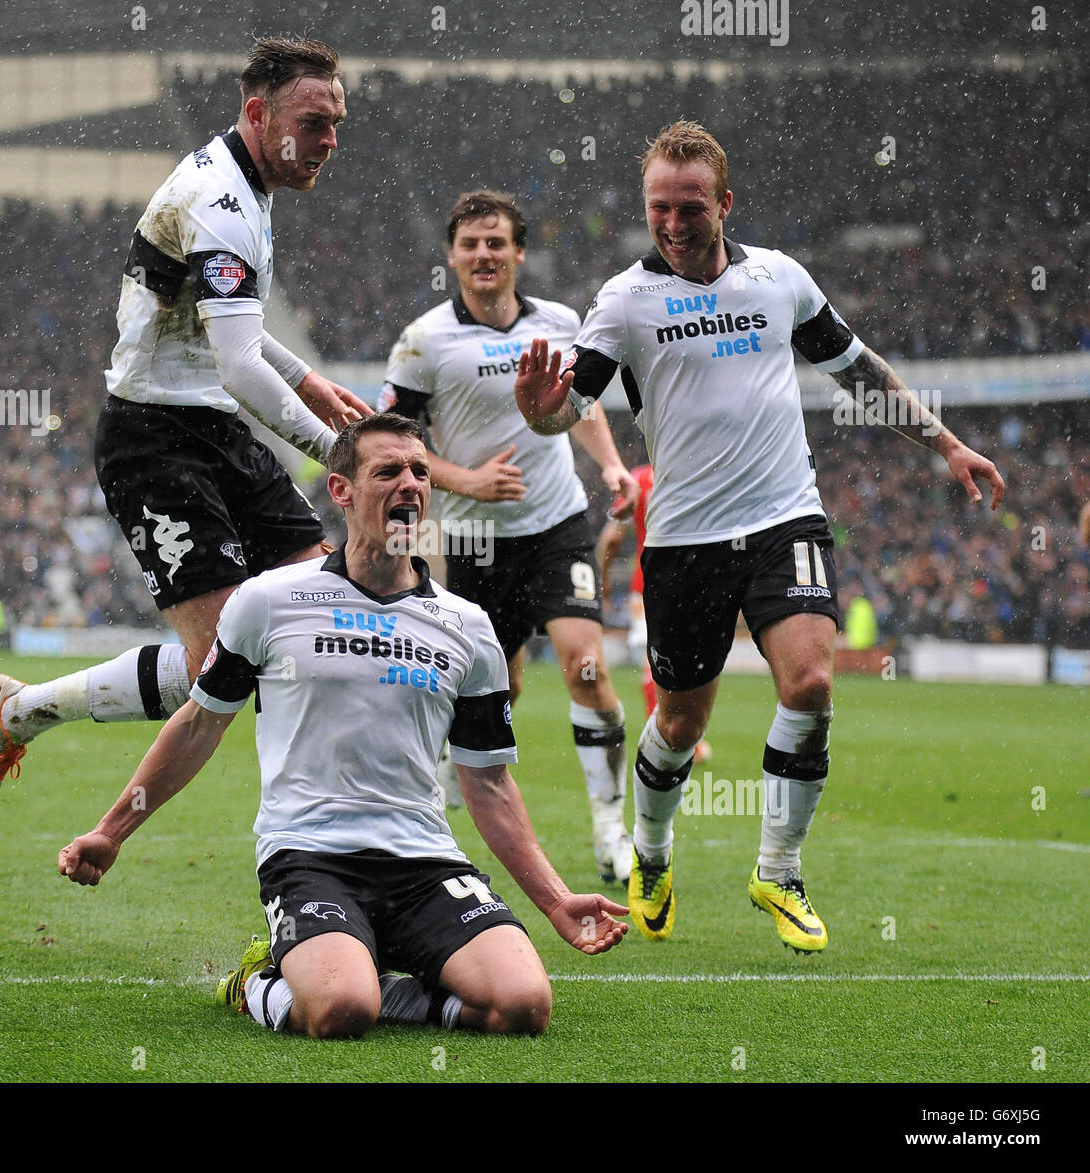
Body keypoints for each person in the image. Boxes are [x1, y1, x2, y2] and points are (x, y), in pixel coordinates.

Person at [514, 121, 1005, 953]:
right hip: (685, 541)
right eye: (658, 208)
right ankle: (654, 852)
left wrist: (946, 443)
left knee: (810, 683)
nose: (672, 224)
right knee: (677, 723)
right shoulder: (624, 300)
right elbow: (571, 404)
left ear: (725, 203)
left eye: (690, 207)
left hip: (786, 517)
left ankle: (778, 869)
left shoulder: (779, 280)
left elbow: (858, 370)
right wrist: (539, 410)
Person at [58, 415, 628, 1038]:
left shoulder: (468, 626)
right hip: (309, 857)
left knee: (523, 1006)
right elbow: (198, 725)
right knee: (340, 1010)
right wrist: (111, 833)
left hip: (424, 861)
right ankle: (260, 982)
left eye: (419, 472)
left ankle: (389, 982)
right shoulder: (269, 599)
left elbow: (488, 782)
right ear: (342, 491)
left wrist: (554, 899)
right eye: (387, 472)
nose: (408, 484)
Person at [0, 35, 371, 816]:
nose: (331, 140)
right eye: (315, 122)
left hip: (212, 428)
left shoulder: (246, 190)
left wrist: (308, 376)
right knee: (222, 662)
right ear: (259, 112)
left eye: (336, 121)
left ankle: (330, 853)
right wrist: (337, 450)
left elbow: (239, 333)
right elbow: (238, 364)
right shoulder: (220, 201)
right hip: (155, 437)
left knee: (320, 614)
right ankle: (16, 713)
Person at [380, 190, 639, 885]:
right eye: (471, 244)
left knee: (586, 666)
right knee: (497, 689)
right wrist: (465, 480)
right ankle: (426, 800)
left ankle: (612, 828)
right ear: (452, 256)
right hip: (475, 542)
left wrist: (610, 463)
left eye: (497, 243)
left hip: (555, 524)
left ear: (519, 252)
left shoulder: (558, 322)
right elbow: (395, 443)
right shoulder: (423, 340)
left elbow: (576, 408)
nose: (484, 255)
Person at [597, 462, 712, 761]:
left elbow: (612, 538)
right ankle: (681, 735)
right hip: (693, 580)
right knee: (688, 659)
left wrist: (603, 580)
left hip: (646, 582)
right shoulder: (695, 472)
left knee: (654, 662)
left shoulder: (639, 478)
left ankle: (666, 735)